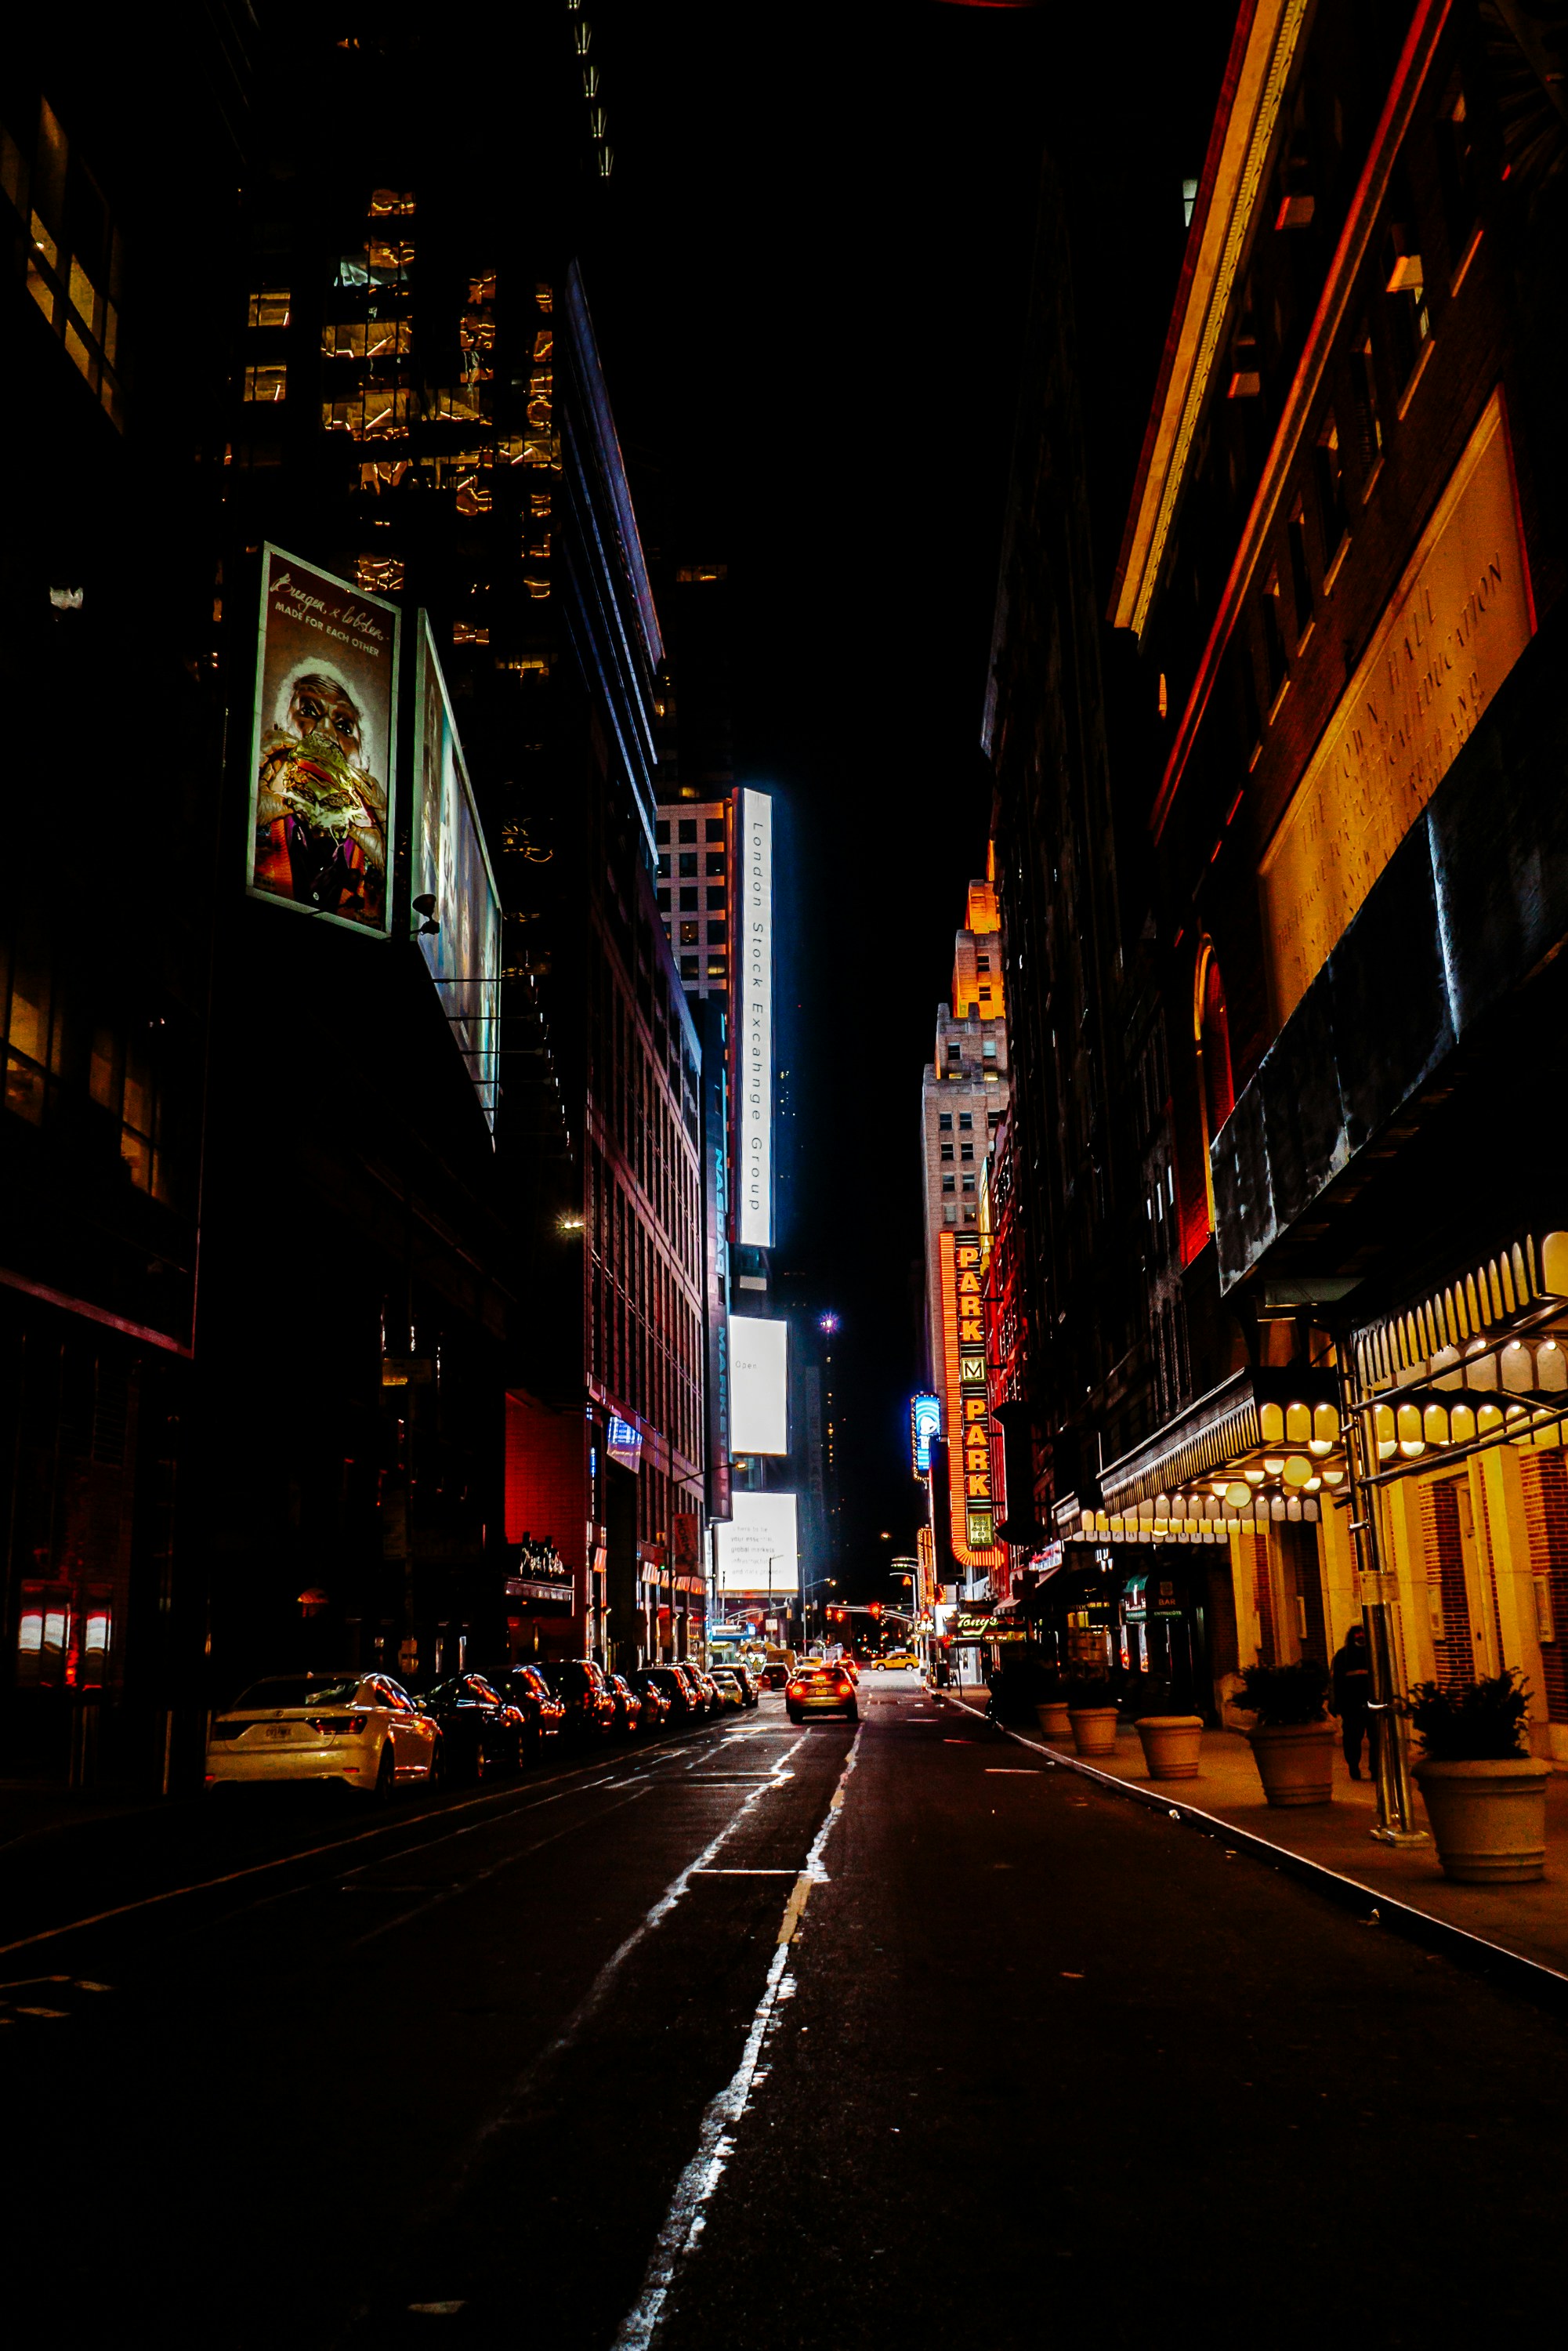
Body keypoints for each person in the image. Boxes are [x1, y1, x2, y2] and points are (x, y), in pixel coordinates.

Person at [1331, 1623, 1373, 1779]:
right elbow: (1337, 1681)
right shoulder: (1343, 1655)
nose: (1360, 1636)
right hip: (1351, 1704)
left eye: (1362, 1633)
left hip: (1371, 1702)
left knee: (1375, 1737)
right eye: (1357, 1634)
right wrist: (1340, 1703)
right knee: (1353, 1738)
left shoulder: (1372, 1653)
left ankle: (1375, 1768)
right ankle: (1353, 1765)